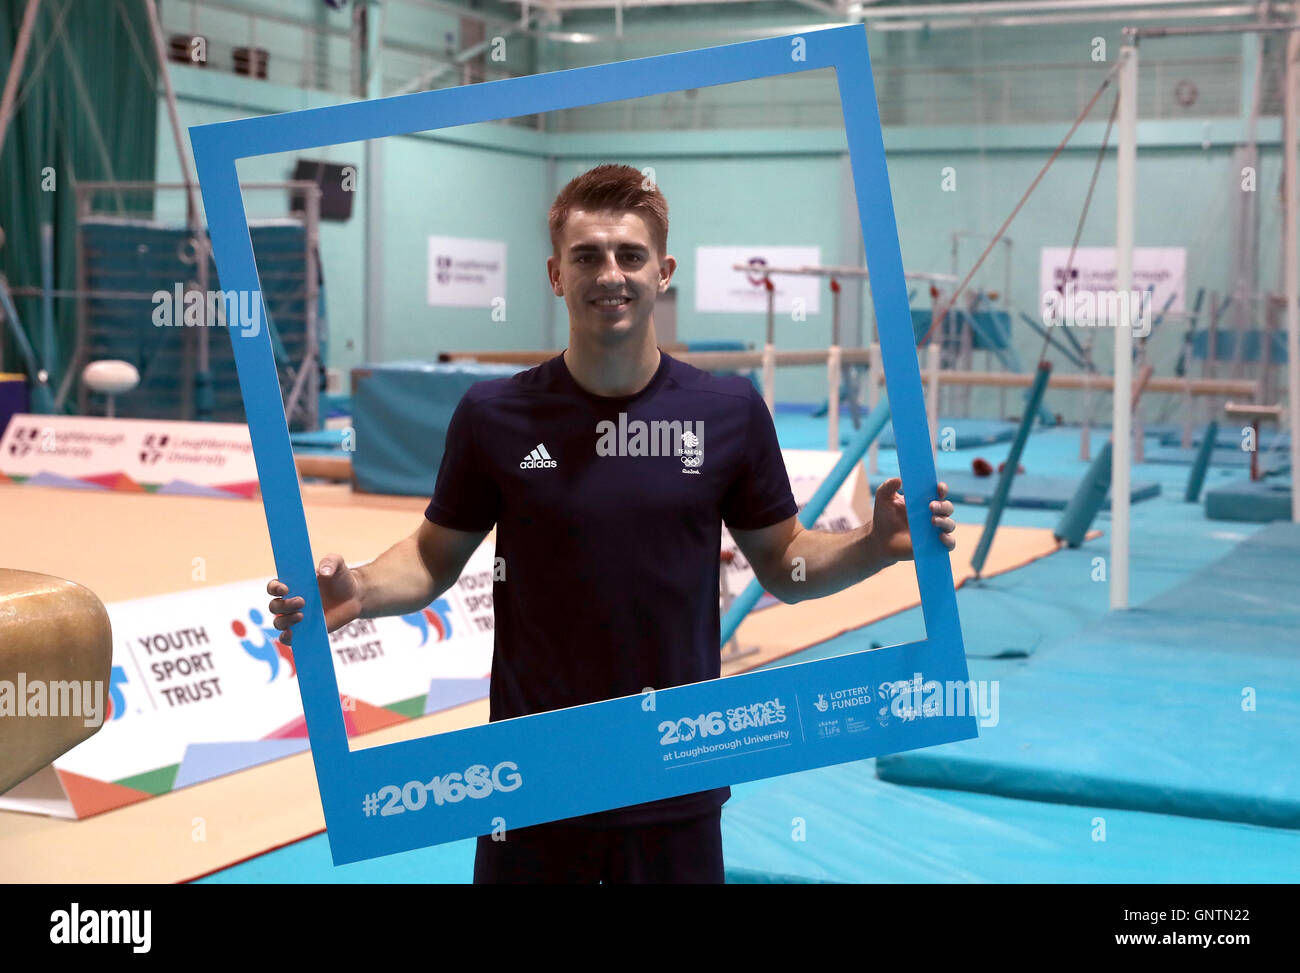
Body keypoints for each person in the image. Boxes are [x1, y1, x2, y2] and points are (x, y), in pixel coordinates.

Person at [267, 163, 957, 884]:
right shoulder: (493, 415)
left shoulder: (727, 411)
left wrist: (876, 545)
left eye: (630, 255)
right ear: (555, 274)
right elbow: (432, 557)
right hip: (530, 781)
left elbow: (785, 563)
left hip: (674, 776)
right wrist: (362, 589)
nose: (611, 273)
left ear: (664, 271)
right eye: (587, 255)